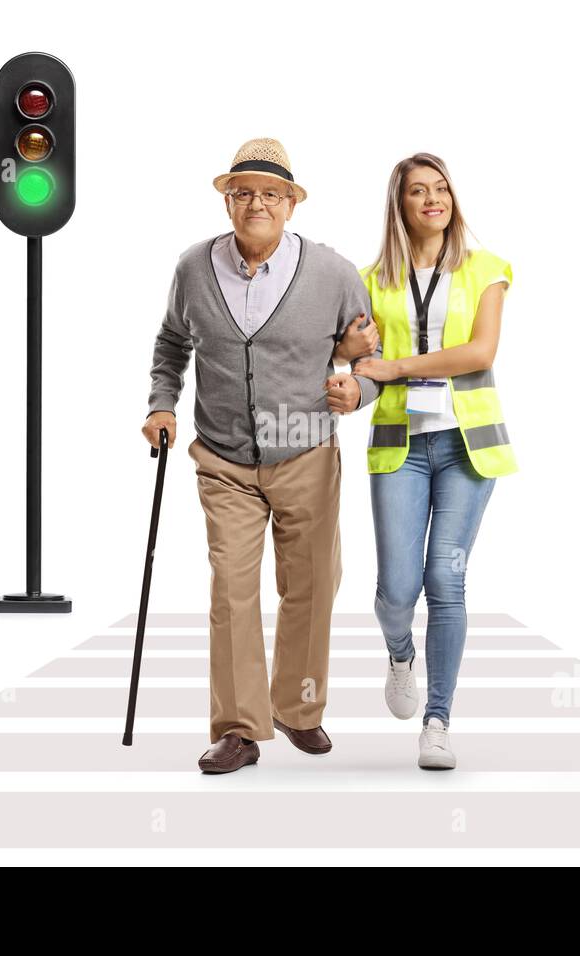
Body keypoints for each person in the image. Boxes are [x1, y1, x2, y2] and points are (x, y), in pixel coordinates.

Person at [144, 137, 384, 774]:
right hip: (223, 457)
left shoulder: (333, 273)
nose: (257, 203)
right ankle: (240, 728)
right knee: (231, 586)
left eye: (271, 194)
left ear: (290, 206)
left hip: (306, 450)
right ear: (227, 201)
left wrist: (360, 387)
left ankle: (299, 708)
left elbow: (370, 355)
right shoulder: (194, 267)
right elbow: (172, 342)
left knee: (310, 587)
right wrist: (161, 404)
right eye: (243, 191)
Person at [334, 152, 517, 770]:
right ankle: (399, 651)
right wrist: (357, 365)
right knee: (396, 589)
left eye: (441, 189)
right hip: (401, 446)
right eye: (419, 191)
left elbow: (479, 351)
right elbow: (357, 359)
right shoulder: (368, 280)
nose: (433, 199)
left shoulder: (487, 269)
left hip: (468, 446)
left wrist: (397, 366)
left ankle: (438, 721)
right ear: (400, 204)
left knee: (446, 579)